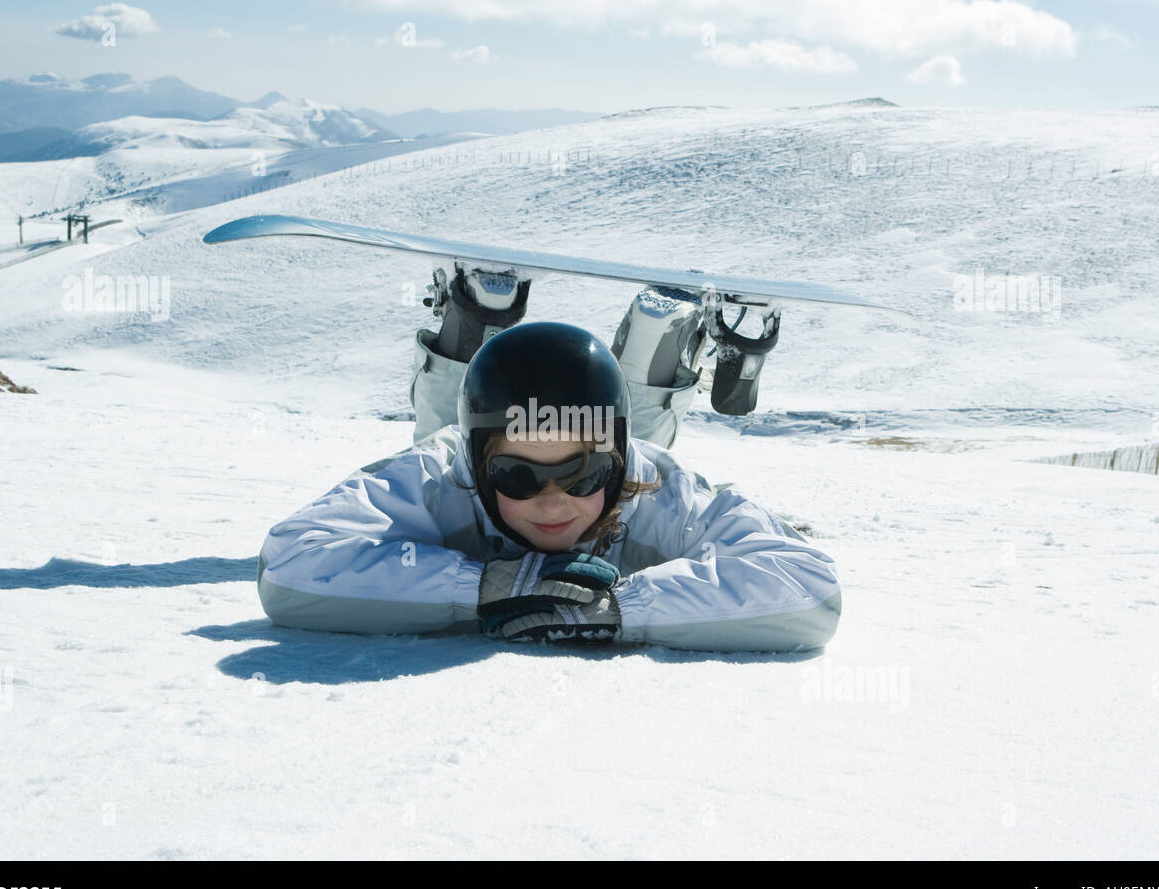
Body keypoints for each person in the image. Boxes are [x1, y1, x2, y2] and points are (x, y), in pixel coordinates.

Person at [255, 266, 842, 651]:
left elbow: (807, 586)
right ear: (479, 466)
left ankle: (658, 345)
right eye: (517, 474)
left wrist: (616, 606)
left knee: (651, 434)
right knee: (434, 425)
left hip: (627, 458)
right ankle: (469, 326)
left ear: (618, 461)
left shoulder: (655, 482)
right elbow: (292, 562)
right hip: (460, 444)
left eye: (584, 471)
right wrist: (486, 587)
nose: (554, 500)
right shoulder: (439, 475)